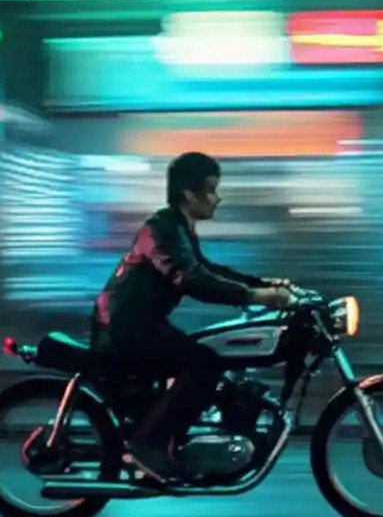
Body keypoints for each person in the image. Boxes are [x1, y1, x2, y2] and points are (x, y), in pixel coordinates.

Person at [89, 151, 294, 482]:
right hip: (124, 330)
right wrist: (254, 296)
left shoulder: (179, 228)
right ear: (190, 194)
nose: (218, 198)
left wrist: (264, 285)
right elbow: (189, 277)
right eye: (212, 189)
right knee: (204, 364)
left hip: (142, 326)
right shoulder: (159, 229)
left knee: (208, 359)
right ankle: (149, 445)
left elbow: (208, 269)